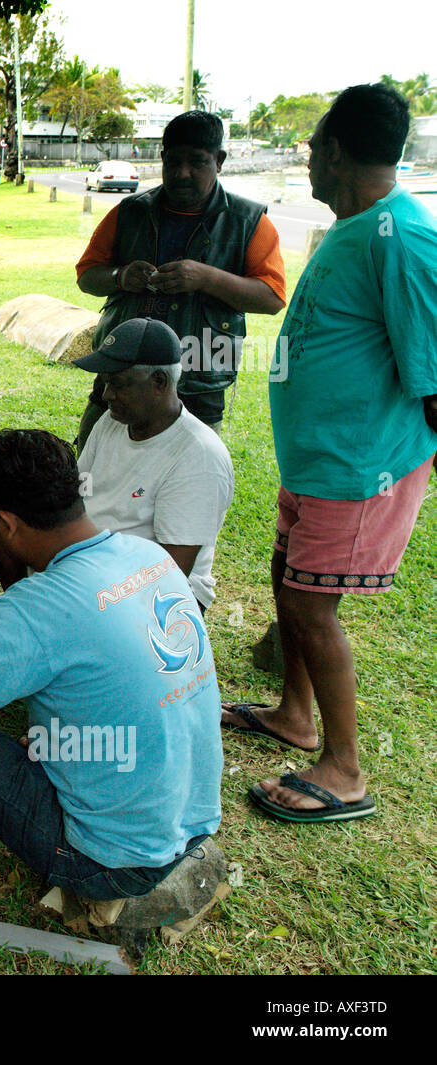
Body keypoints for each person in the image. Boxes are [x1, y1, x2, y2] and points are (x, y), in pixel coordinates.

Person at [0, 430, 222, 914]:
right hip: (190, 819)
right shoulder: (149, 556)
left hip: (107, 861)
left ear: (5, 523)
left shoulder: (39, 607)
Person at [231, 84, 437, 823]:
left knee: (312, 609)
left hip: (361, 470)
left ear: (338, 151)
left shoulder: (403, 236)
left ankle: (344, 768)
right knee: (288, 583)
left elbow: (435, 374)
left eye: (313, 147)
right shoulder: (357, 225)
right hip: (317, 463)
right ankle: (293, 713)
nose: (309, 160)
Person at [74, 110, 285, 446]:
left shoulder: (249, 221)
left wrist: (207, 278)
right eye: (173, 161)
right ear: (161, 159)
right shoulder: (129, 212)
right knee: (93, 473)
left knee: (191, 482)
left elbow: (272, 298)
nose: (182, 173)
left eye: (197, 162)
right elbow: (87, 276)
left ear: (220, 161)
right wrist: (120, 275)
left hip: (199, 382)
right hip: (120, 377)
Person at [73, 318, 234, 614]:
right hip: (92, 559)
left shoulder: (198, 455)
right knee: (6, 518)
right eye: (105, 382)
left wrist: (83, 583)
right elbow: (77, 495)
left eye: (118, 384)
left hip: (154, 589)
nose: (107, 395)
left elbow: (171, 570)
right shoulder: (110, 423)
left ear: (159, 382)